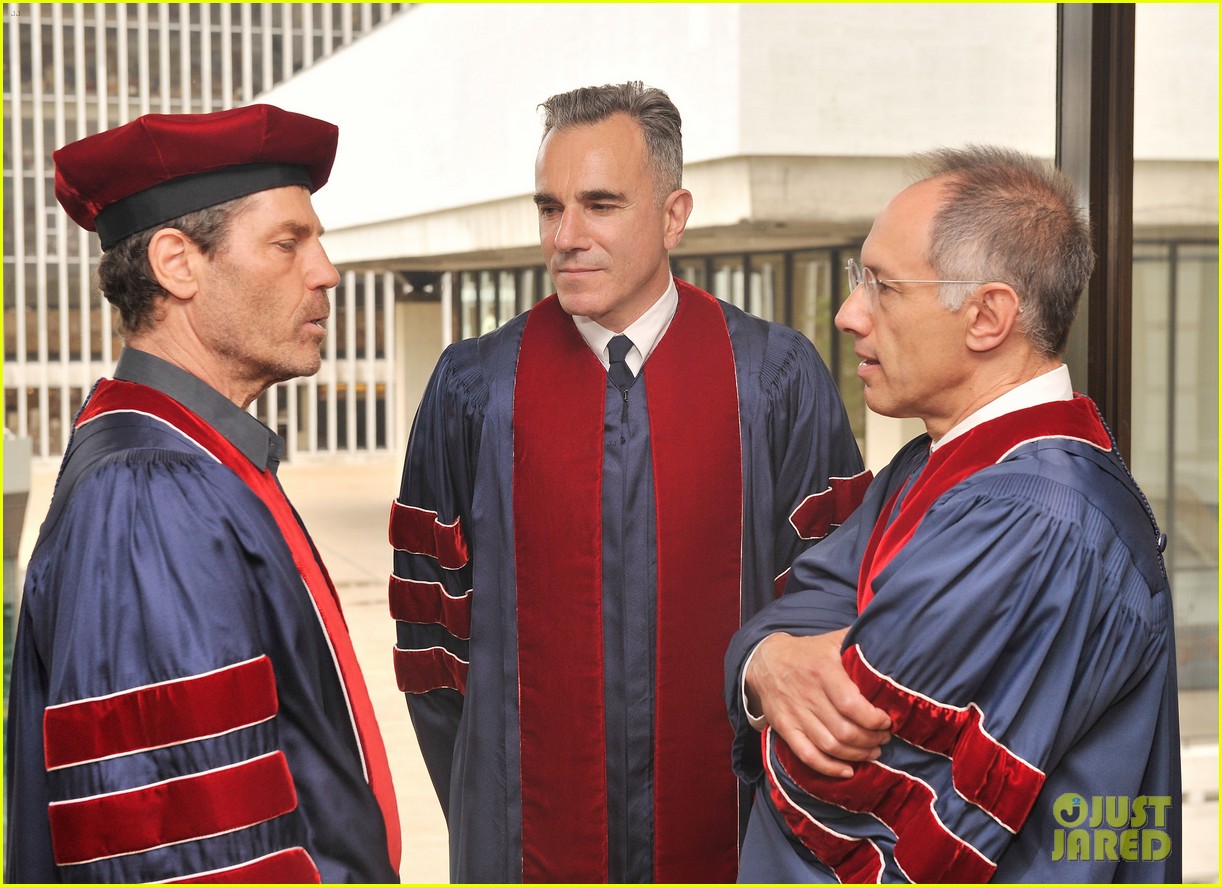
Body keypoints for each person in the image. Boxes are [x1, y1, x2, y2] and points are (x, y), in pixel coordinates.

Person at [389, 81, 867, 883]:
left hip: (737, 834)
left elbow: (831, 615)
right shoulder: (474, 387)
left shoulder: (774, 380)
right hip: (524, 843)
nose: (566, 236)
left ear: (674, 214)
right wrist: (493, 805)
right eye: (550, 207)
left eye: (601, 205)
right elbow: (433, 650)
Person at [725, 145, 1182, 883]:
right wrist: (766, 663)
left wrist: (788, 669)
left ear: (987, 316)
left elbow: (840, 788)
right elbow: (795, 615)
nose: (848, 314)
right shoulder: (935, 466)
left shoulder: (1039, 523)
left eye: (882, 286)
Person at [5, 104, 401, 883]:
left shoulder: (194, 455)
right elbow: (186, 846)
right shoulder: (149, 496)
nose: (326, 271)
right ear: (177, 263)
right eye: (289, 243)